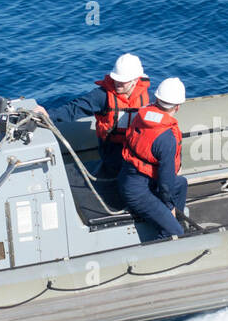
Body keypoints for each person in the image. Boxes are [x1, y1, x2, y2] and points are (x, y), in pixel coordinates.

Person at [45, 53, 150, 179]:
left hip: (135, 145)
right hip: (112, 148)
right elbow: (74, 109)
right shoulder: (102, 96)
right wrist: (47, 115)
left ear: (135, 80)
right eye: (116, 79)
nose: (118, 83)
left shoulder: (146, 95)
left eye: (123, 81)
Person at [119, 77, 189, 239]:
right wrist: (169, 205)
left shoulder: (141, 115)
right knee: (174, 232)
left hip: (132, 177)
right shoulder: (166, 139)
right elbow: (165, 181)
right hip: (137, 190)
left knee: (181, 184)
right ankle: (169, 236)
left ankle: (176, 221)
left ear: (157, 100)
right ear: (177, 107)